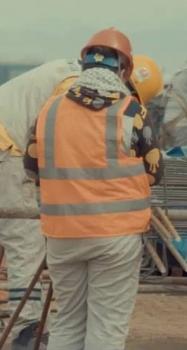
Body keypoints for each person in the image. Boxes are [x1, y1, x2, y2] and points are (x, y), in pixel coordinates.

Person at [23, 35, 164, 350]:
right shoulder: (132, 112)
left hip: (62, 234)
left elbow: (31, 168)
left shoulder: (50, 110)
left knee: (68, 322)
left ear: (83, 66)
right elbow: (154, 173)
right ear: (123, 71)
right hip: (116, 235)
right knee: (106, 328)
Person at [0, 55, 83, 350]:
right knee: (26, 243)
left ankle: (32, 323)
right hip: (8, 155)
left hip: (8, 153)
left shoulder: (70, 73)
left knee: (29, 243)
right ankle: (26, 329)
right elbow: (54, 133)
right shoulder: (74, 85)